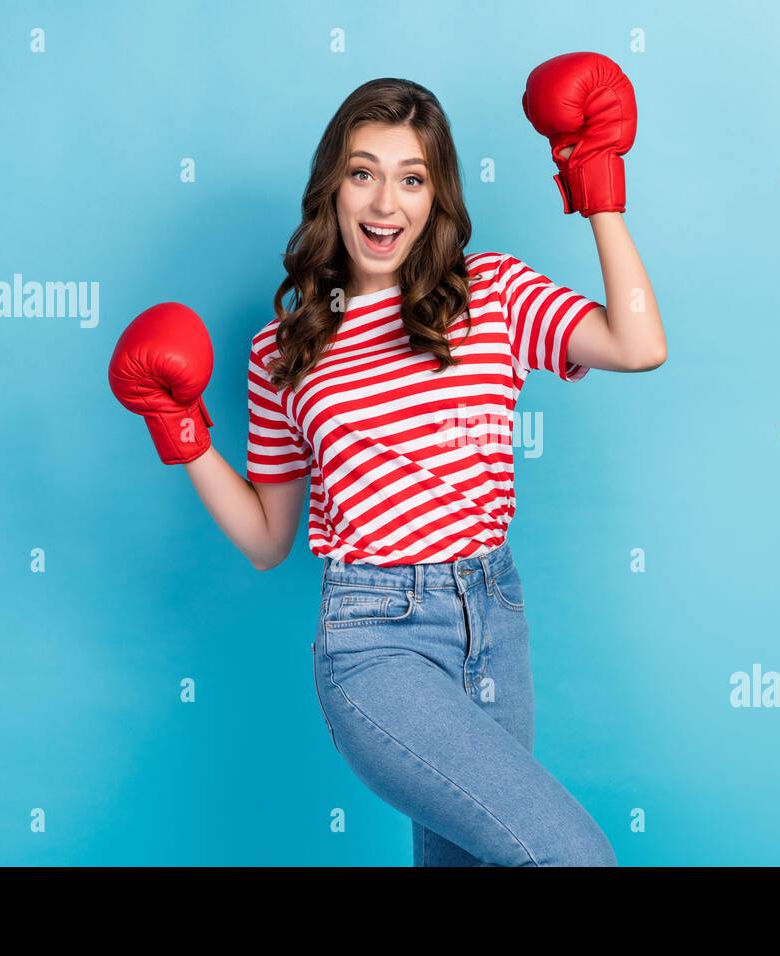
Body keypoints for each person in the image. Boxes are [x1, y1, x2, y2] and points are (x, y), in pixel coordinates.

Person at [109, 53, 665, 866]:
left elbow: (637, 343)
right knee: (570, 856)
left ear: (435, 198)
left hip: (493, 618)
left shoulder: (494, 293)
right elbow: (269, 539)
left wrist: (597, 182)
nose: (384, 201)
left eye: (411, 179)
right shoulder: (283, 350)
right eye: (363, 172)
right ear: (333, 186)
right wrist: (182, 431)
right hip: (376, 640)